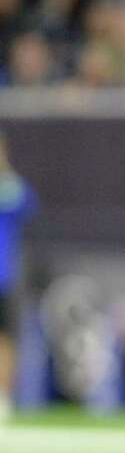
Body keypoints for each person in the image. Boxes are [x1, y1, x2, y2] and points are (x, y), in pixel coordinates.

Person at [0, 133, 37, 421]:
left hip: (5, 277)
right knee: (6, 340)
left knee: (6, 340)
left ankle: (3, 396)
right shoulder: (12, 187)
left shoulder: (12, 189)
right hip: (6, 277)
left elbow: (28, 206)